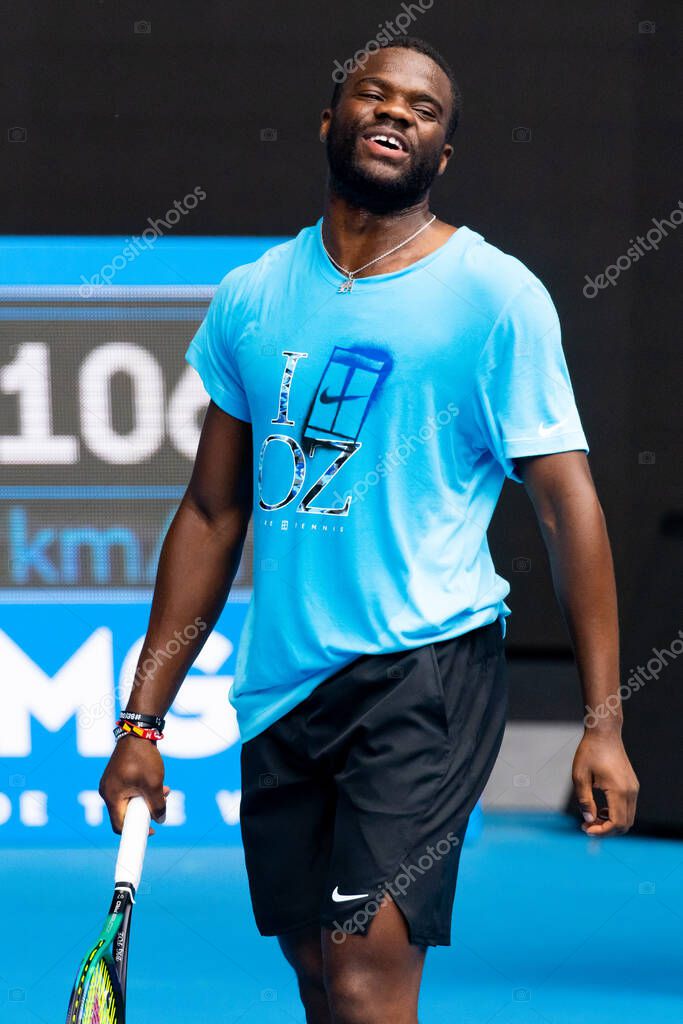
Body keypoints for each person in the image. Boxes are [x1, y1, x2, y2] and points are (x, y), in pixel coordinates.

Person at [100, 35, 639, 1024]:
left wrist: (600, 724)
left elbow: (570, 512)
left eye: (421, 109)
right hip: (281, 694)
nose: (393, 113)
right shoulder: (251, 298)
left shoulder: (494, 299)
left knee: (361, 975)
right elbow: (214, 512)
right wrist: (143, 720)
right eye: (371, 94)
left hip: (422, 677)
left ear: (441, 156)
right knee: (316, 973)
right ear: (329, 122)